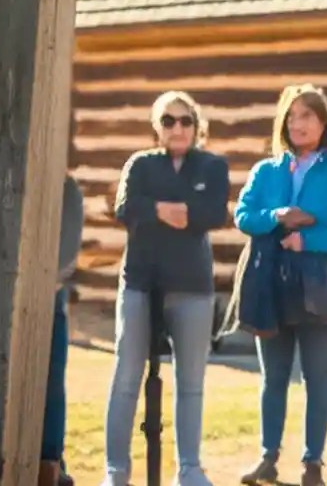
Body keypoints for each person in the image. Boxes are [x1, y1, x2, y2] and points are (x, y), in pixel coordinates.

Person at [235, 85, 327, 486]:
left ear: (323, 123)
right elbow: (243, 215)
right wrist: (277, 215)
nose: (297, 123)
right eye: (291, 117)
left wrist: (309, 239)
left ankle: (313, 464)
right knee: (272, 377)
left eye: (306, 115)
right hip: (269, 282)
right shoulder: (266, 170)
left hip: (319, 286)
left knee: (316, 377)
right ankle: (268, 458)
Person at [103, 92, 231, 486]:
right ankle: (116, 472)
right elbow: (126, 209)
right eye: (169, 121)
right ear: (157, 127)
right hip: (140, 282)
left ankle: (189, 470)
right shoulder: (140, 164)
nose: (178, 128)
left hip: (192, 287)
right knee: (127, 375)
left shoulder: (212, 165)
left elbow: (213, 213)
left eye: (185, 121)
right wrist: (165, 210)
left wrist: (163, 209)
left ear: (197, 125)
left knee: (191, 382)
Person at [39, 174, 83, 486]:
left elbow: (66, 255)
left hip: (48, 296)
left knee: (51, 381)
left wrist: (45, 285)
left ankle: (52, 463)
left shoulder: (65, 188)